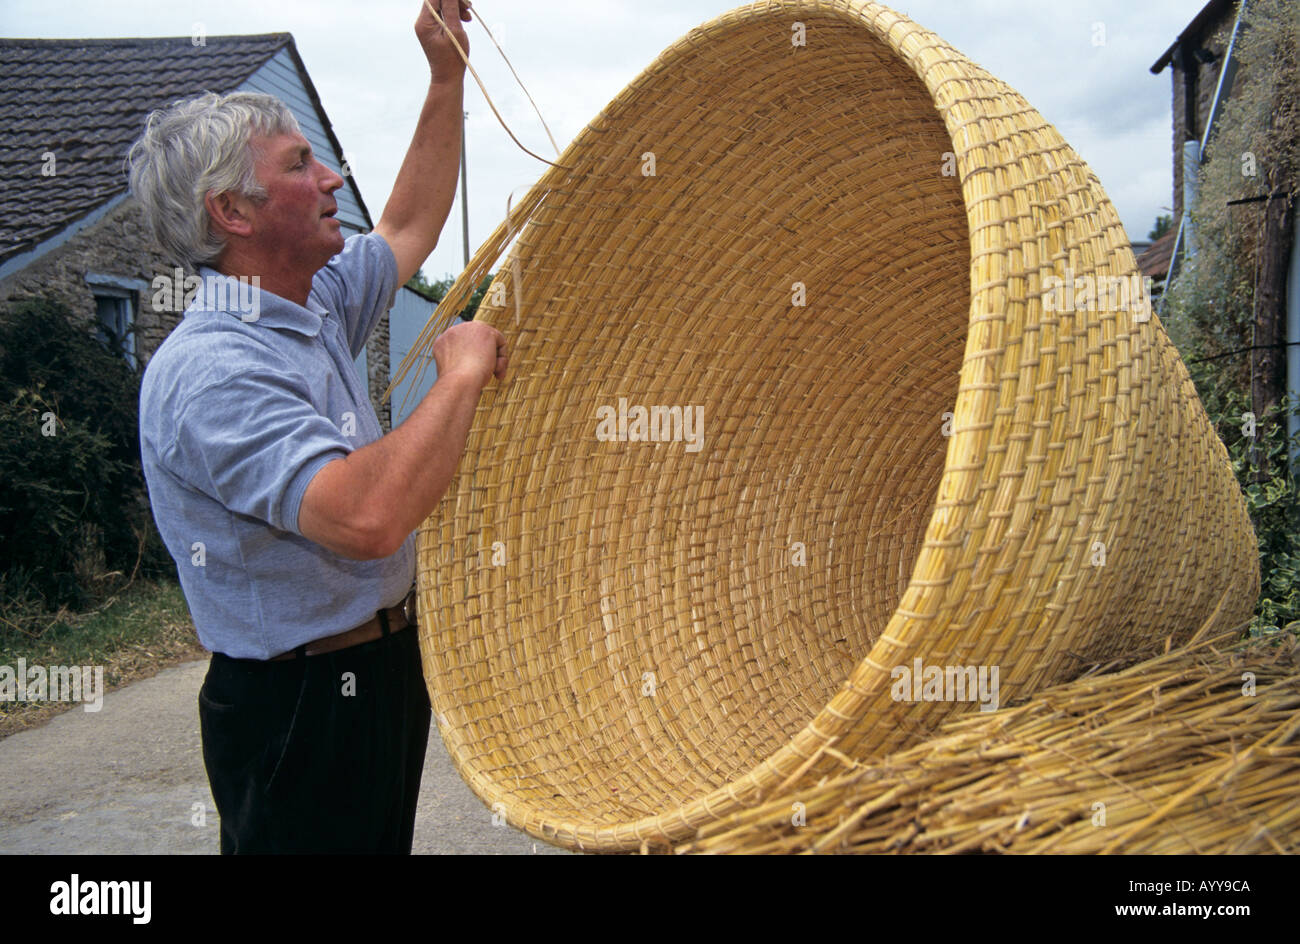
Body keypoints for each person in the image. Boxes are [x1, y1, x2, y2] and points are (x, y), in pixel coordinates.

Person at [130, 0, 508, 853]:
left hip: (375, 672)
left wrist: (445, 76)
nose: (334, 178)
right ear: (233, 211)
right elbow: (365, 518)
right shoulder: (212, 372)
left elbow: (409, 222)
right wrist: (460, 374)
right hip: (295, 703)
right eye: (303, 164)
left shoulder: (315, 302)